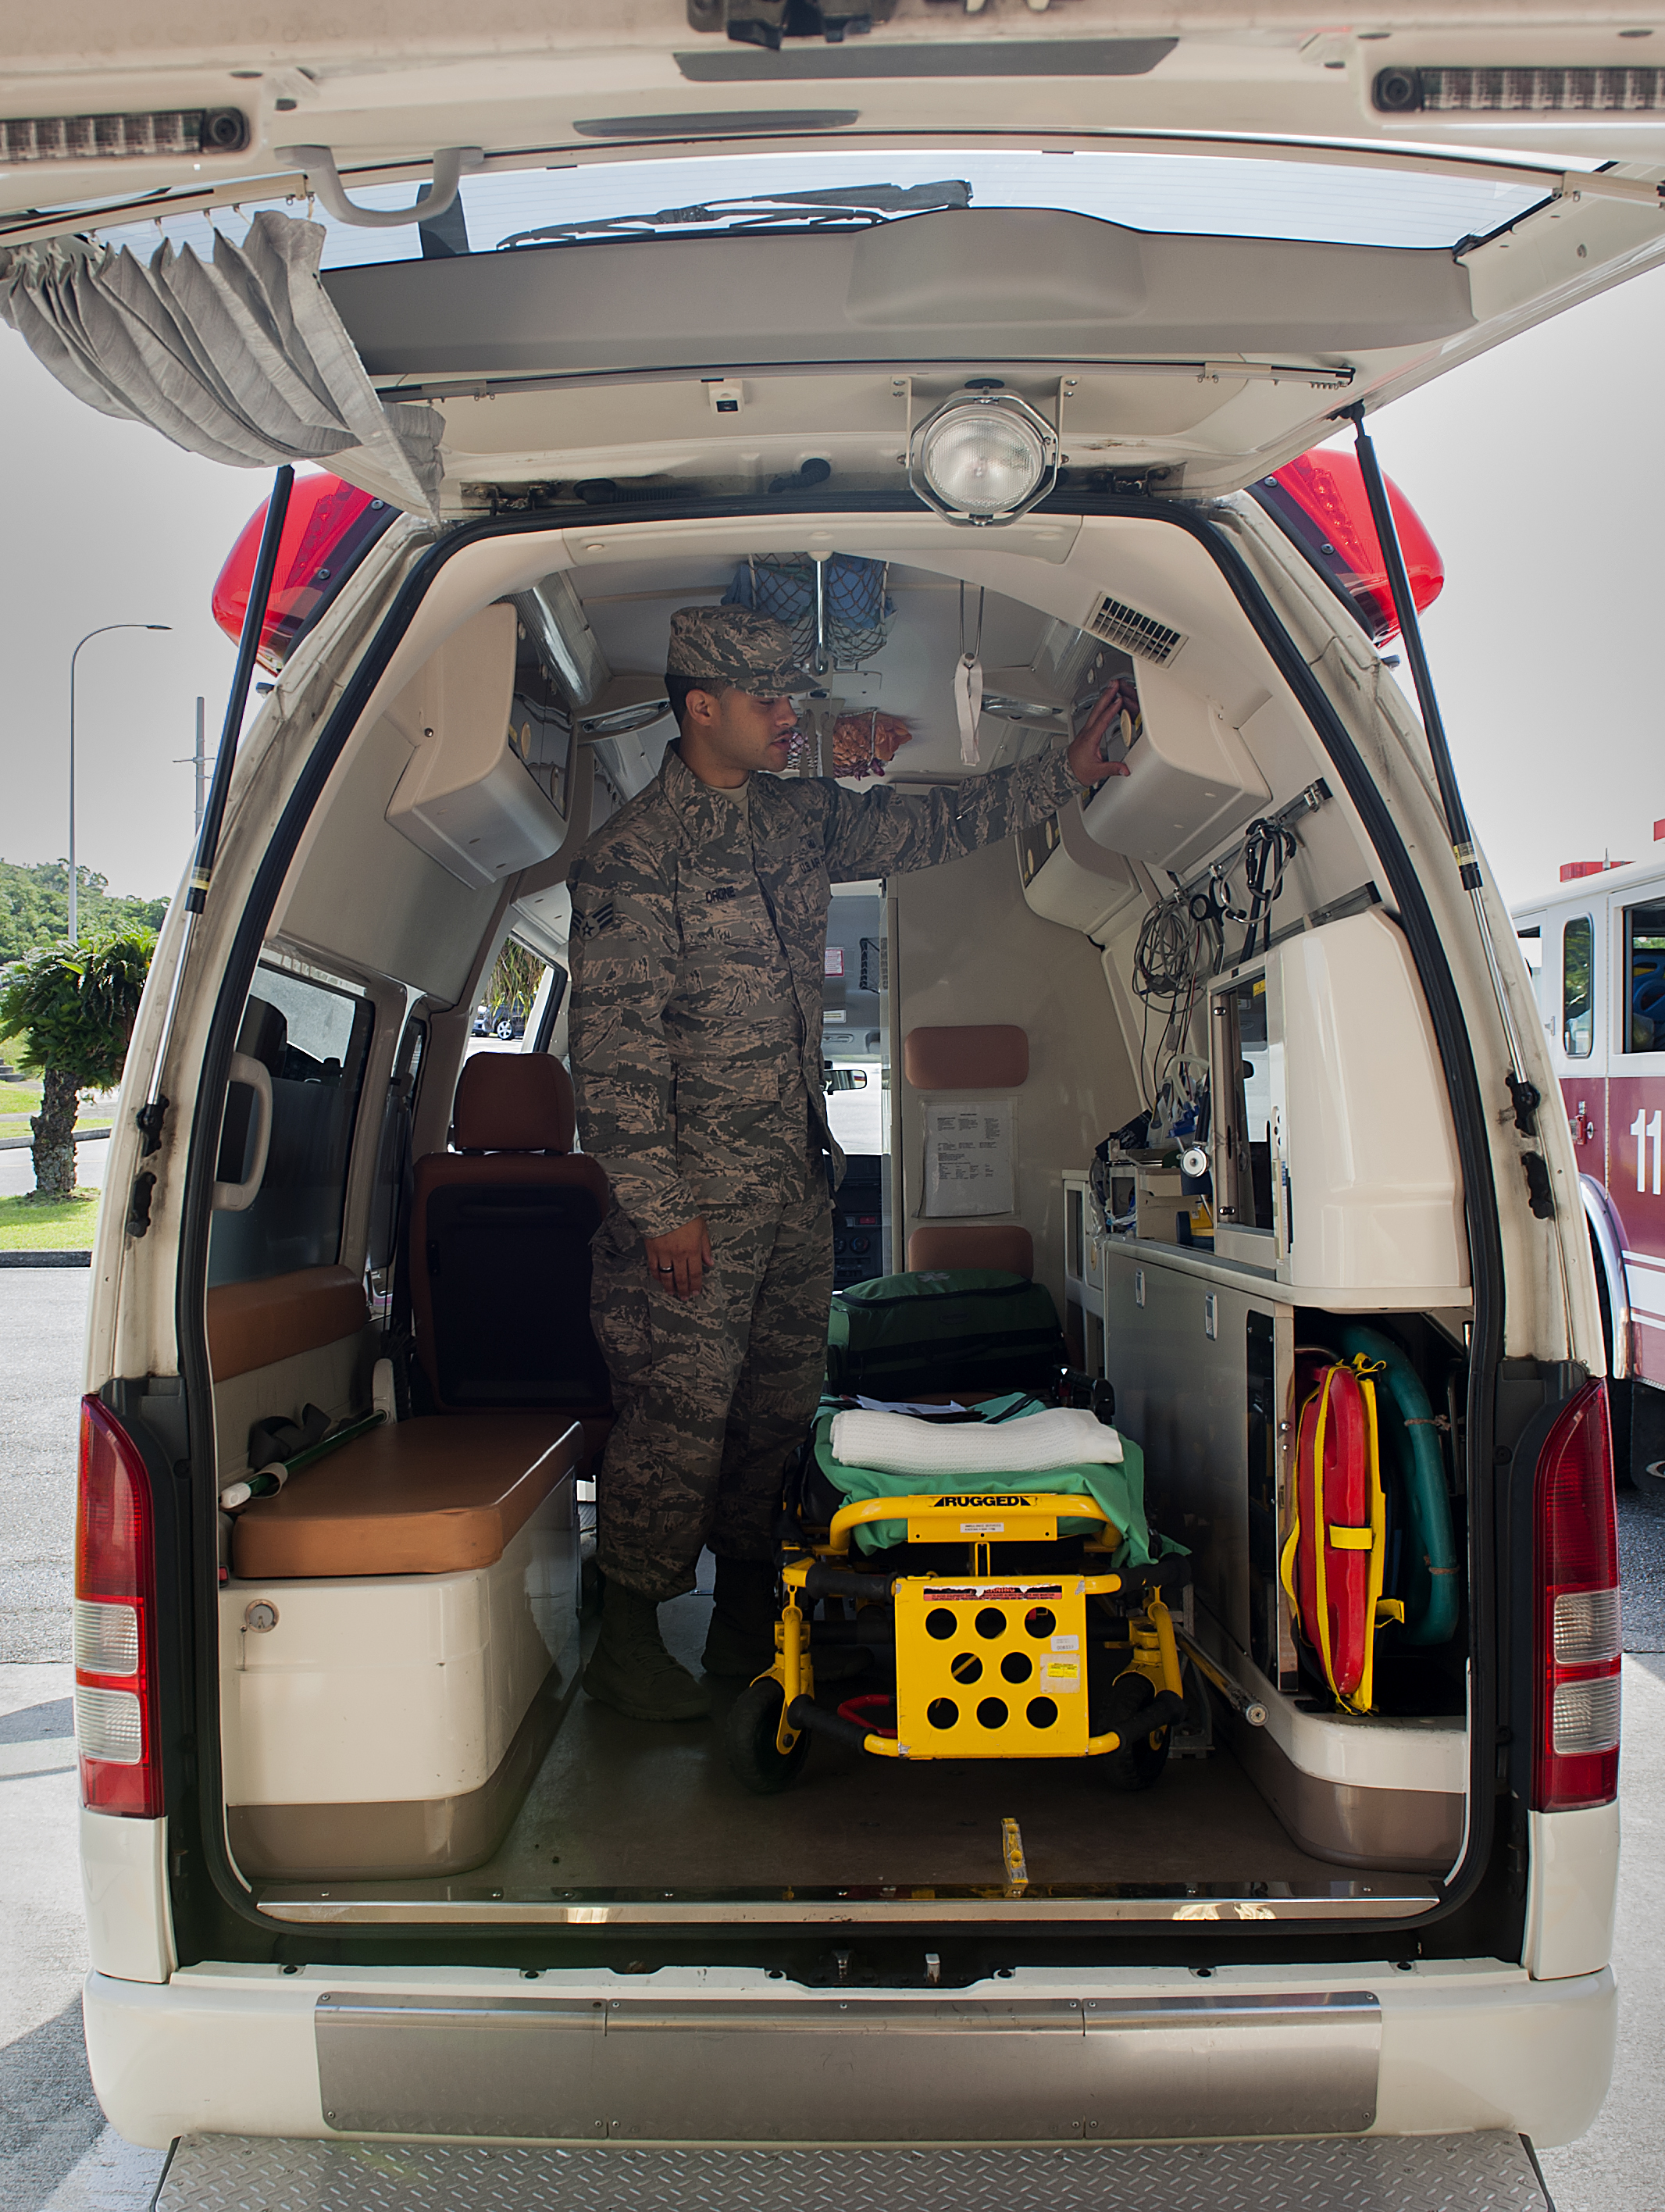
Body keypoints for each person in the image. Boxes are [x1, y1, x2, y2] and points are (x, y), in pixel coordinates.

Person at [567, 604, 1132, 1721]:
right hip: (693, 1210)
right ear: (701, 708)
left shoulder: (794, 820)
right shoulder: (633, 859)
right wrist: (662, 1208)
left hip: (791, 1185)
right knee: (680, 1420)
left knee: (775, 1413)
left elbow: (925, 832)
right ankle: (628, 1641)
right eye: (770, 700)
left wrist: (1058, 773)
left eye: (793, 697)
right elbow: (614, 1055)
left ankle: (741, 1625)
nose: (791, 719)